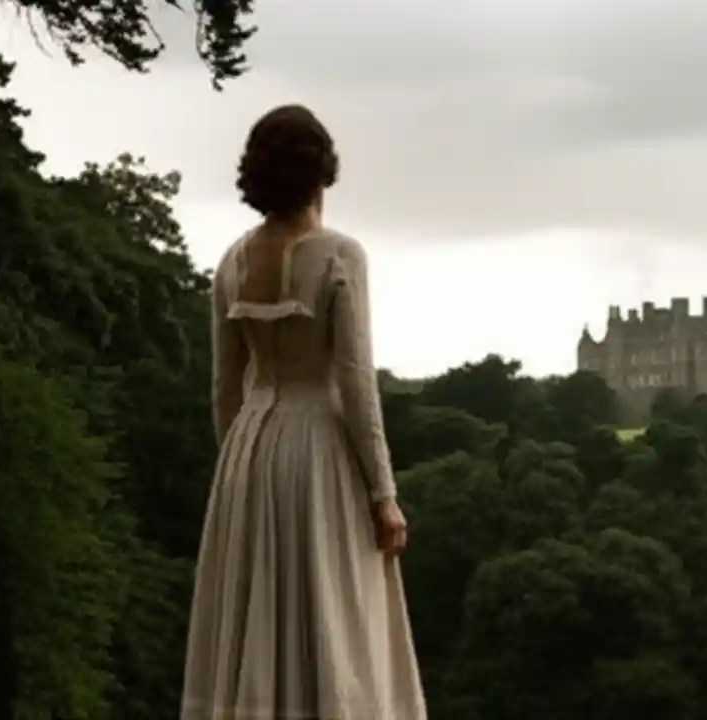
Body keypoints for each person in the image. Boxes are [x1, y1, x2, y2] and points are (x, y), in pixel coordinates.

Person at [181, 104, 427, 719]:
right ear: (323, 172)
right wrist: (384, 493)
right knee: (335, 611)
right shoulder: (341, 255)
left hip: (246, 452)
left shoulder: (231, 263)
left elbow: (224, 386)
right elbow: (353, 380)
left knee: (256, 614)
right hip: (318, 446)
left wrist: (236, 469)